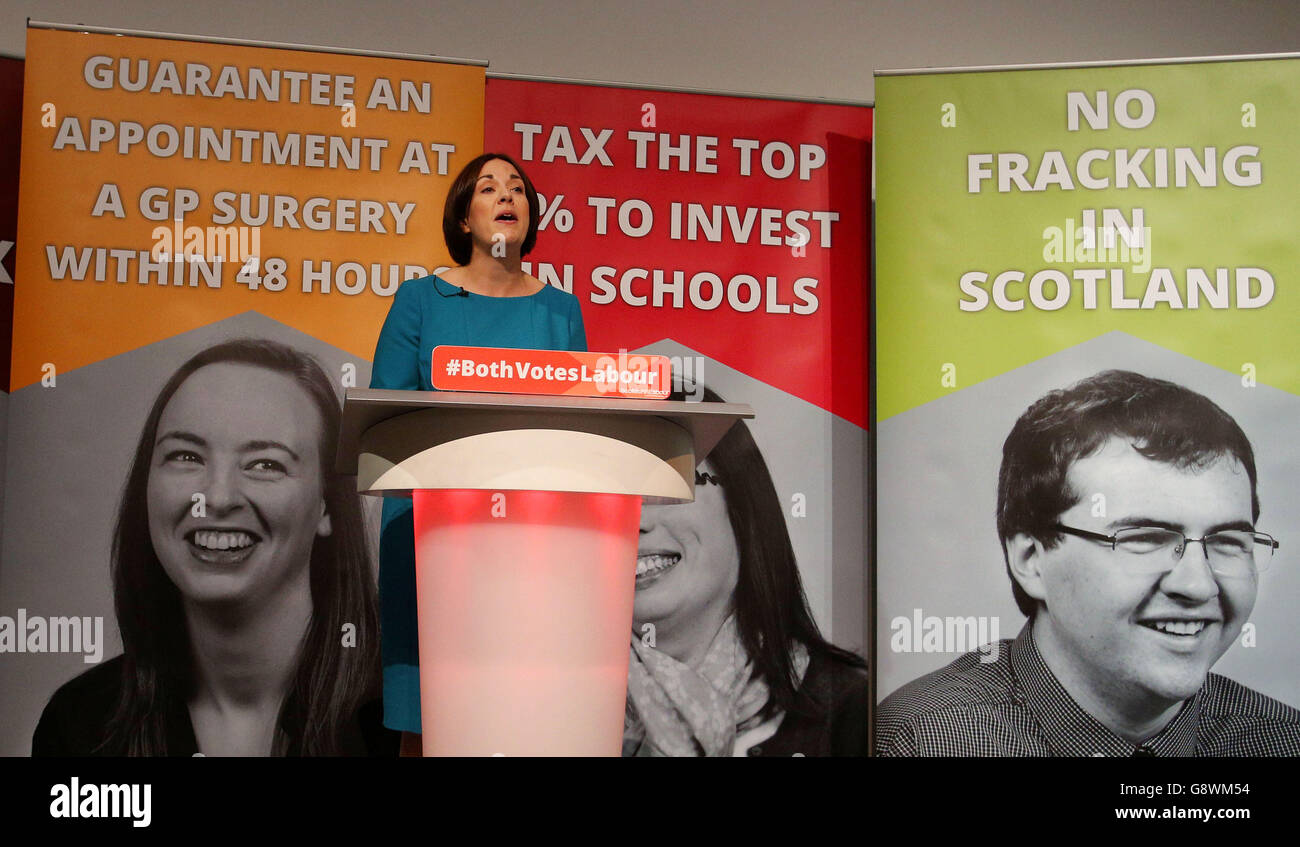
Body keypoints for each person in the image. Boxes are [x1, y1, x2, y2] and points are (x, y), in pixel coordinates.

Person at [876, 369, 1299, 756]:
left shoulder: (1282, 741)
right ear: (1031, 559)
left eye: (1226, 542)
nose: (1198, 585)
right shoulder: (924, 740)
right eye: (1145, 539)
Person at [32, 339, 393, 756]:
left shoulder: (400, 719)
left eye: (265, 464)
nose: (217, 498)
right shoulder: (81, 724)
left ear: (326, 504)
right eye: (186, 456)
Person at [370, 152, 586, 754]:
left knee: (524, 715)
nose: (507, 195)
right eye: (489, 188)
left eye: (517, 188)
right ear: (464, 219)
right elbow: (384, 422)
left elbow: (576, 430)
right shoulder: (421, 301)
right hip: (432, 533)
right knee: (431, 718)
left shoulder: (561, 310)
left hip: (529, 536)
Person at [624, 386, 870, 756]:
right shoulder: (550, 709)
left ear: (742, 507)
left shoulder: (856, 715)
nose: (636, 520)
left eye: (666, 484)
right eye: (611, 495)